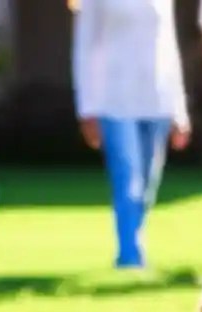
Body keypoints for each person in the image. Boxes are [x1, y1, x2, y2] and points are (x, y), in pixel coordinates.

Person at [71, 0, 192, 269]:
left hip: (156, 100)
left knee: (147, 184)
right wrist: (86, 107)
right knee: (127, 179)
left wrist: (179, 110)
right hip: (113, 99)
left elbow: (169, 48)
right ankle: (129, 256)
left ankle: (135, 241)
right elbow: (84, 47)